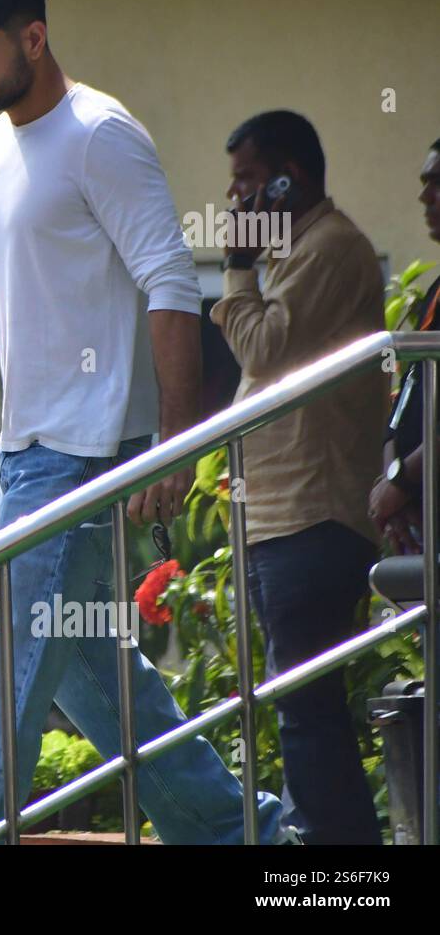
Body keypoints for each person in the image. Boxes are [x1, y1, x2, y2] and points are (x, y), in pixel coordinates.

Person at [0, 0, 284, 844]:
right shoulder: (0, 140)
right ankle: (249, 839)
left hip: (82, 457)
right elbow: (22, 276)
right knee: (95, 679)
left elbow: (167, 282)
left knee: (0, 670)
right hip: (26, 446)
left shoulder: (100, 134)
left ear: (33, 37)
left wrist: (172, 443)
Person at [210, 111, 387, 844]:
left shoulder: (330, 247)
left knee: (305, 706)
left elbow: (262, 347)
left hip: (310, 519)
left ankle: (333, 866)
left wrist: (238, 265)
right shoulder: (301, 253)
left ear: (290, 178)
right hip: (280, 519)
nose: (235, 198)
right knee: (302, 705)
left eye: (249, 180)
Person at [370, 137, 440, 552]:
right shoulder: (435, 291)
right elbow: (409, 393)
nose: (423, 197)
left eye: (437, 182)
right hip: (422, 510)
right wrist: (396, 488)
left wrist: (400, 481)